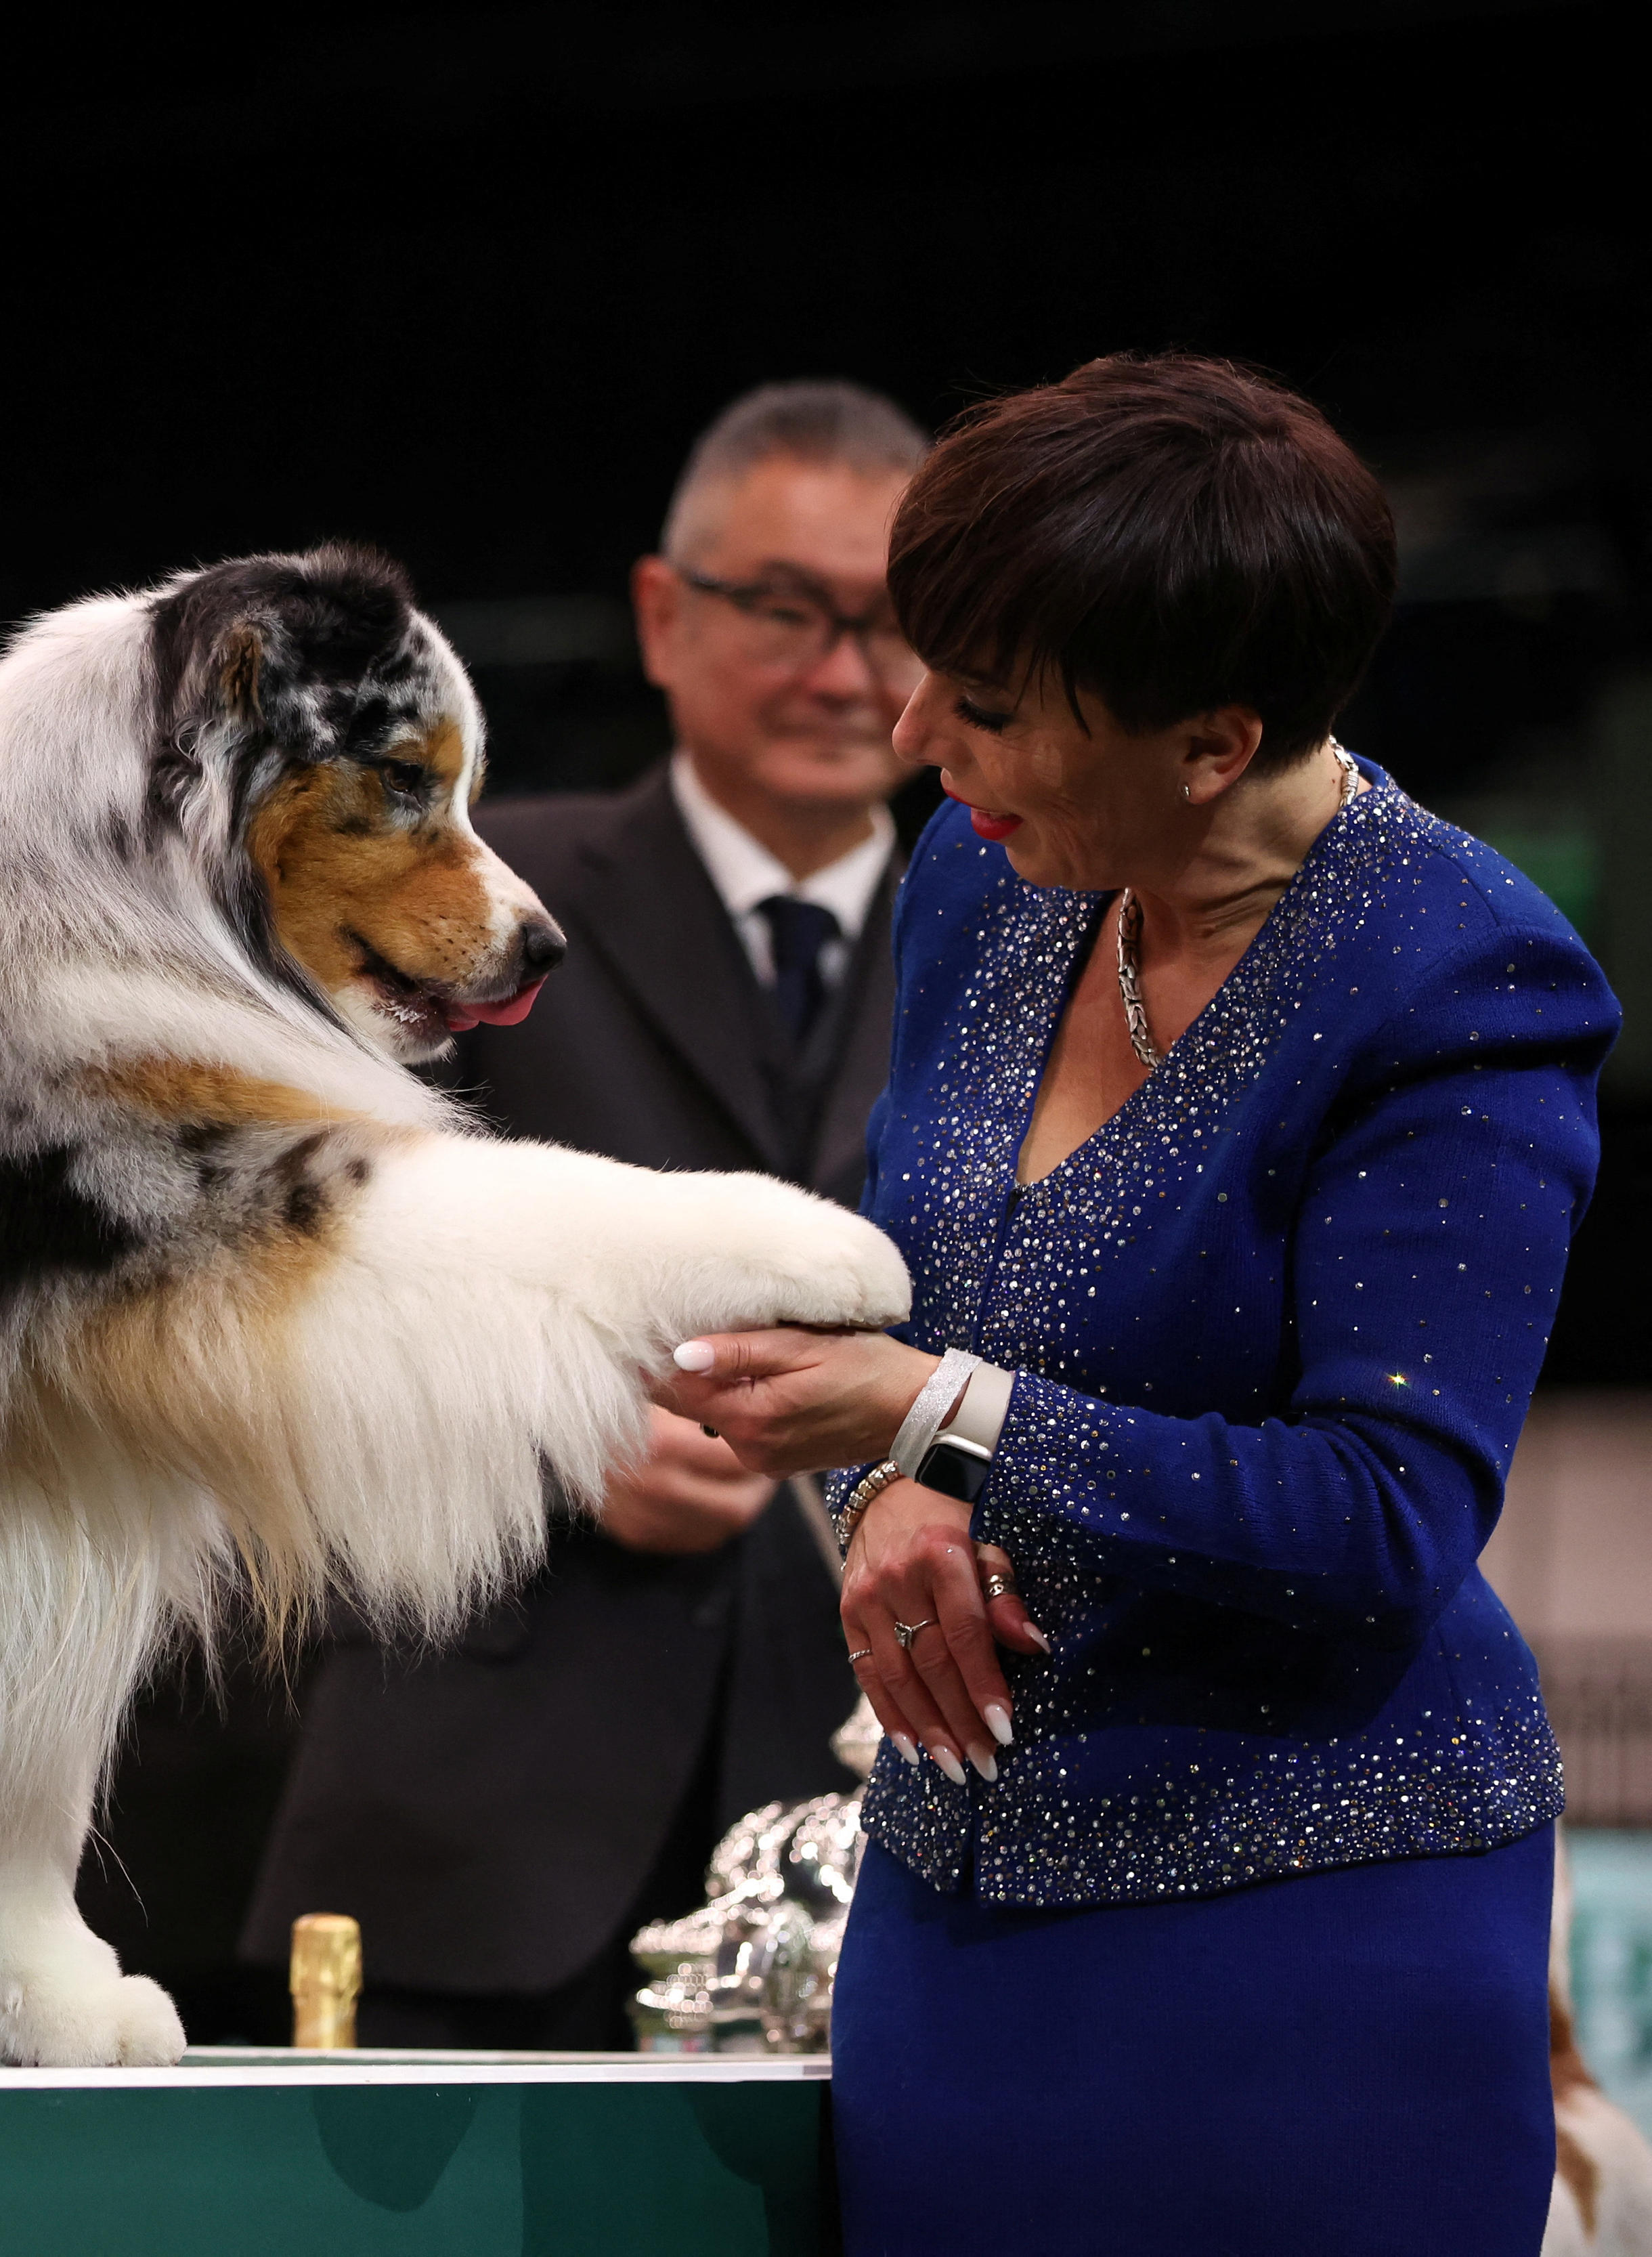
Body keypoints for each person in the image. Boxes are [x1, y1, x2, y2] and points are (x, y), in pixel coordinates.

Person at [655, 353, 1610, 2254]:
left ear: (1208, 741)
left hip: (1312, 1930)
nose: (918, 730)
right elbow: (922, 1297)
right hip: (955, 1916)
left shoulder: (1465, 974)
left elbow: (1386, 1509)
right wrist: (889, 1496)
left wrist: (930, 1419)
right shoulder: (987, 871)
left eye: (991, 706)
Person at [240, 381, 930, 2048]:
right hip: (466, 1828)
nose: (845, 670)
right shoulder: (451, 907)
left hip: (886, 1845)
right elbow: (258, 1292)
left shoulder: (1051, 954)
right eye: (786, 607)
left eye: (896, 620)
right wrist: (557, 1439)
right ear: (661, 615)